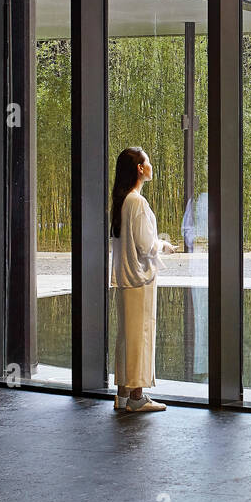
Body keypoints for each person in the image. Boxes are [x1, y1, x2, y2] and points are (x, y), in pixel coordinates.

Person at [110, 147, 176, 413]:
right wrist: (165, 245)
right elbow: (146, 245)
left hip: (126, 279)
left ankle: (123, 394)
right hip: (139, 280)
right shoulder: (137, 202)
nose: (151, 165)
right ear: (139, 168)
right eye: (147, 161)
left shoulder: (123, 200)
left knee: (127, 337)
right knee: (140, 336)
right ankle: (137, 397)